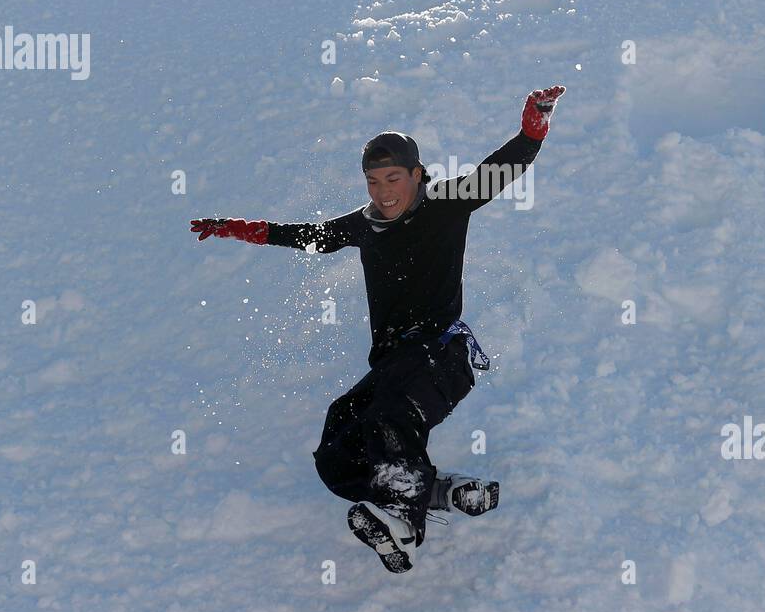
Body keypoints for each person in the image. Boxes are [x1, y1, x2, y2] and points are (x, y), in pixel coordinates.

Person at [190, 85, 566, 572]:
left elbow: (503, 168)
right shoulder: (365, 224)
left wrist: (535, 124)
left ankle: (406, 524)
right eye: (373, 181)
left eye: (393, 178)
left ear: (416, 174)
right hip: (394, 366)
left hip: (441, 357)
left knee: (389, 417)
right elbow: (311, 237)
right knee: (338, 446)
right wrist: (238, 228)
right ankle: (433, 491)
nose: (384, 192)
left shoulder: (446, 202)